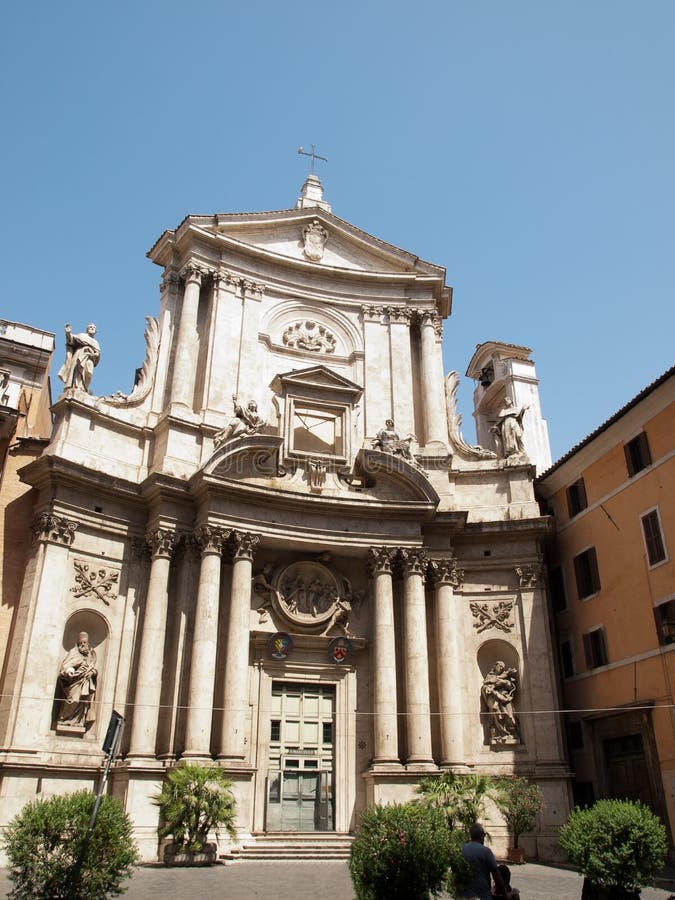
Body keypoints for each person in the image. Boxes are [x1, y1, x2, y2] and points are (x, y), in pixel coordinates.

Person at [461, 823, 512, 900]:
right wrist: (505, 894)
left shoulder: (462, 849)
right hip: (482, 896)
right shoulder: (486, 852)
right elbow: (496, 875)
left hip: (464, 895)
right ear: (482, 836)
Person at [57, 631, 98, 726]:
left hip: (86, 682)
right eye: (81, 643)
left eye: (85, 643)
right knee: (73, 700)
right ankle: (64, 719)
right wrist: (69, 671)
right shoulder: (73, 653)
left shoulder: (91, 655)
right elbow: (65, 666)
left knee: (82, 702)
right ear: (78, 644)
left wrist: (93, 672)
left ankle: (78, 721)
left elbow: (93, 669)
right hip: (74, 682)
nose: (83, 644)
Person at [481, 661, 519, 744]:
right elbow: (485, 686)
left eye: (503, 667)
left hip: (505, 698)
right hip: (495, 698)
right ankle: (498, 734)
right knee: (497, 714)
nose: (501, 668)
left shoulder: (506, 676)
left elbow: (511, 686)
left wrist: (504, 682)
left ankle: (511, 733)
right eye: (500, 666)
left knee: (509, 715)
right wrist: (491, 689)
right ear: (495, 666)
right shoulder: (490, 676)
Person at [58, 323, 100, 392]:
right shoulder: (81, 335)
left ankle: (84, 388)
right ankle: (77, 387)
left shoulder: (96, 342)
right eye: (90, 327)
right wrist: (68, 333)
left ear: (95, 332)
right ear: (87, 329)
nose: (92, 328)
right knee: (78, 370)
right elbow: (71, 340)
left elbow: (97, 354)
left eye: (94, 328)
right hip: (79, 354)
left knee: (89, 373)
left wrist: (92, 354)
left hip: (90, 358)